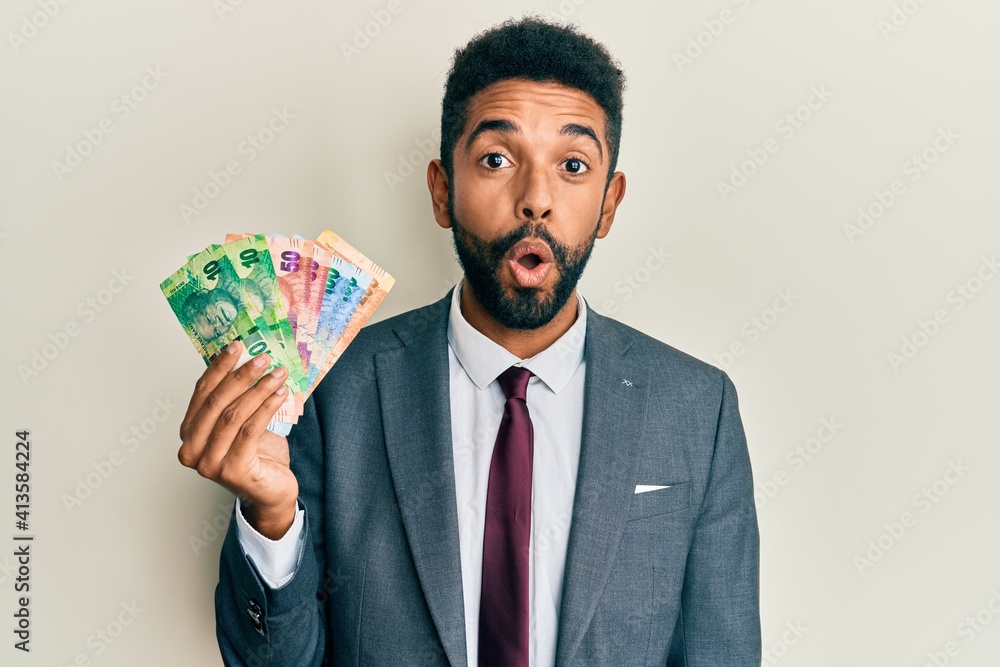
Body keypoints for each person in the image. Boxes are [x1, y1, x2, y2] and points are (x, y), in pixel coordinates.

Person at [177, 15, 761, 667]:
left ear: (608, 204)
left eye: (573, 164)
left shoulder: (696, 409)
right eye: (496, 159)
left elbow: (722, 650)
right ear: (441, 190)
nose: (535, 198)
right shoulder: (334, 390)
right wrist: (271, 518)